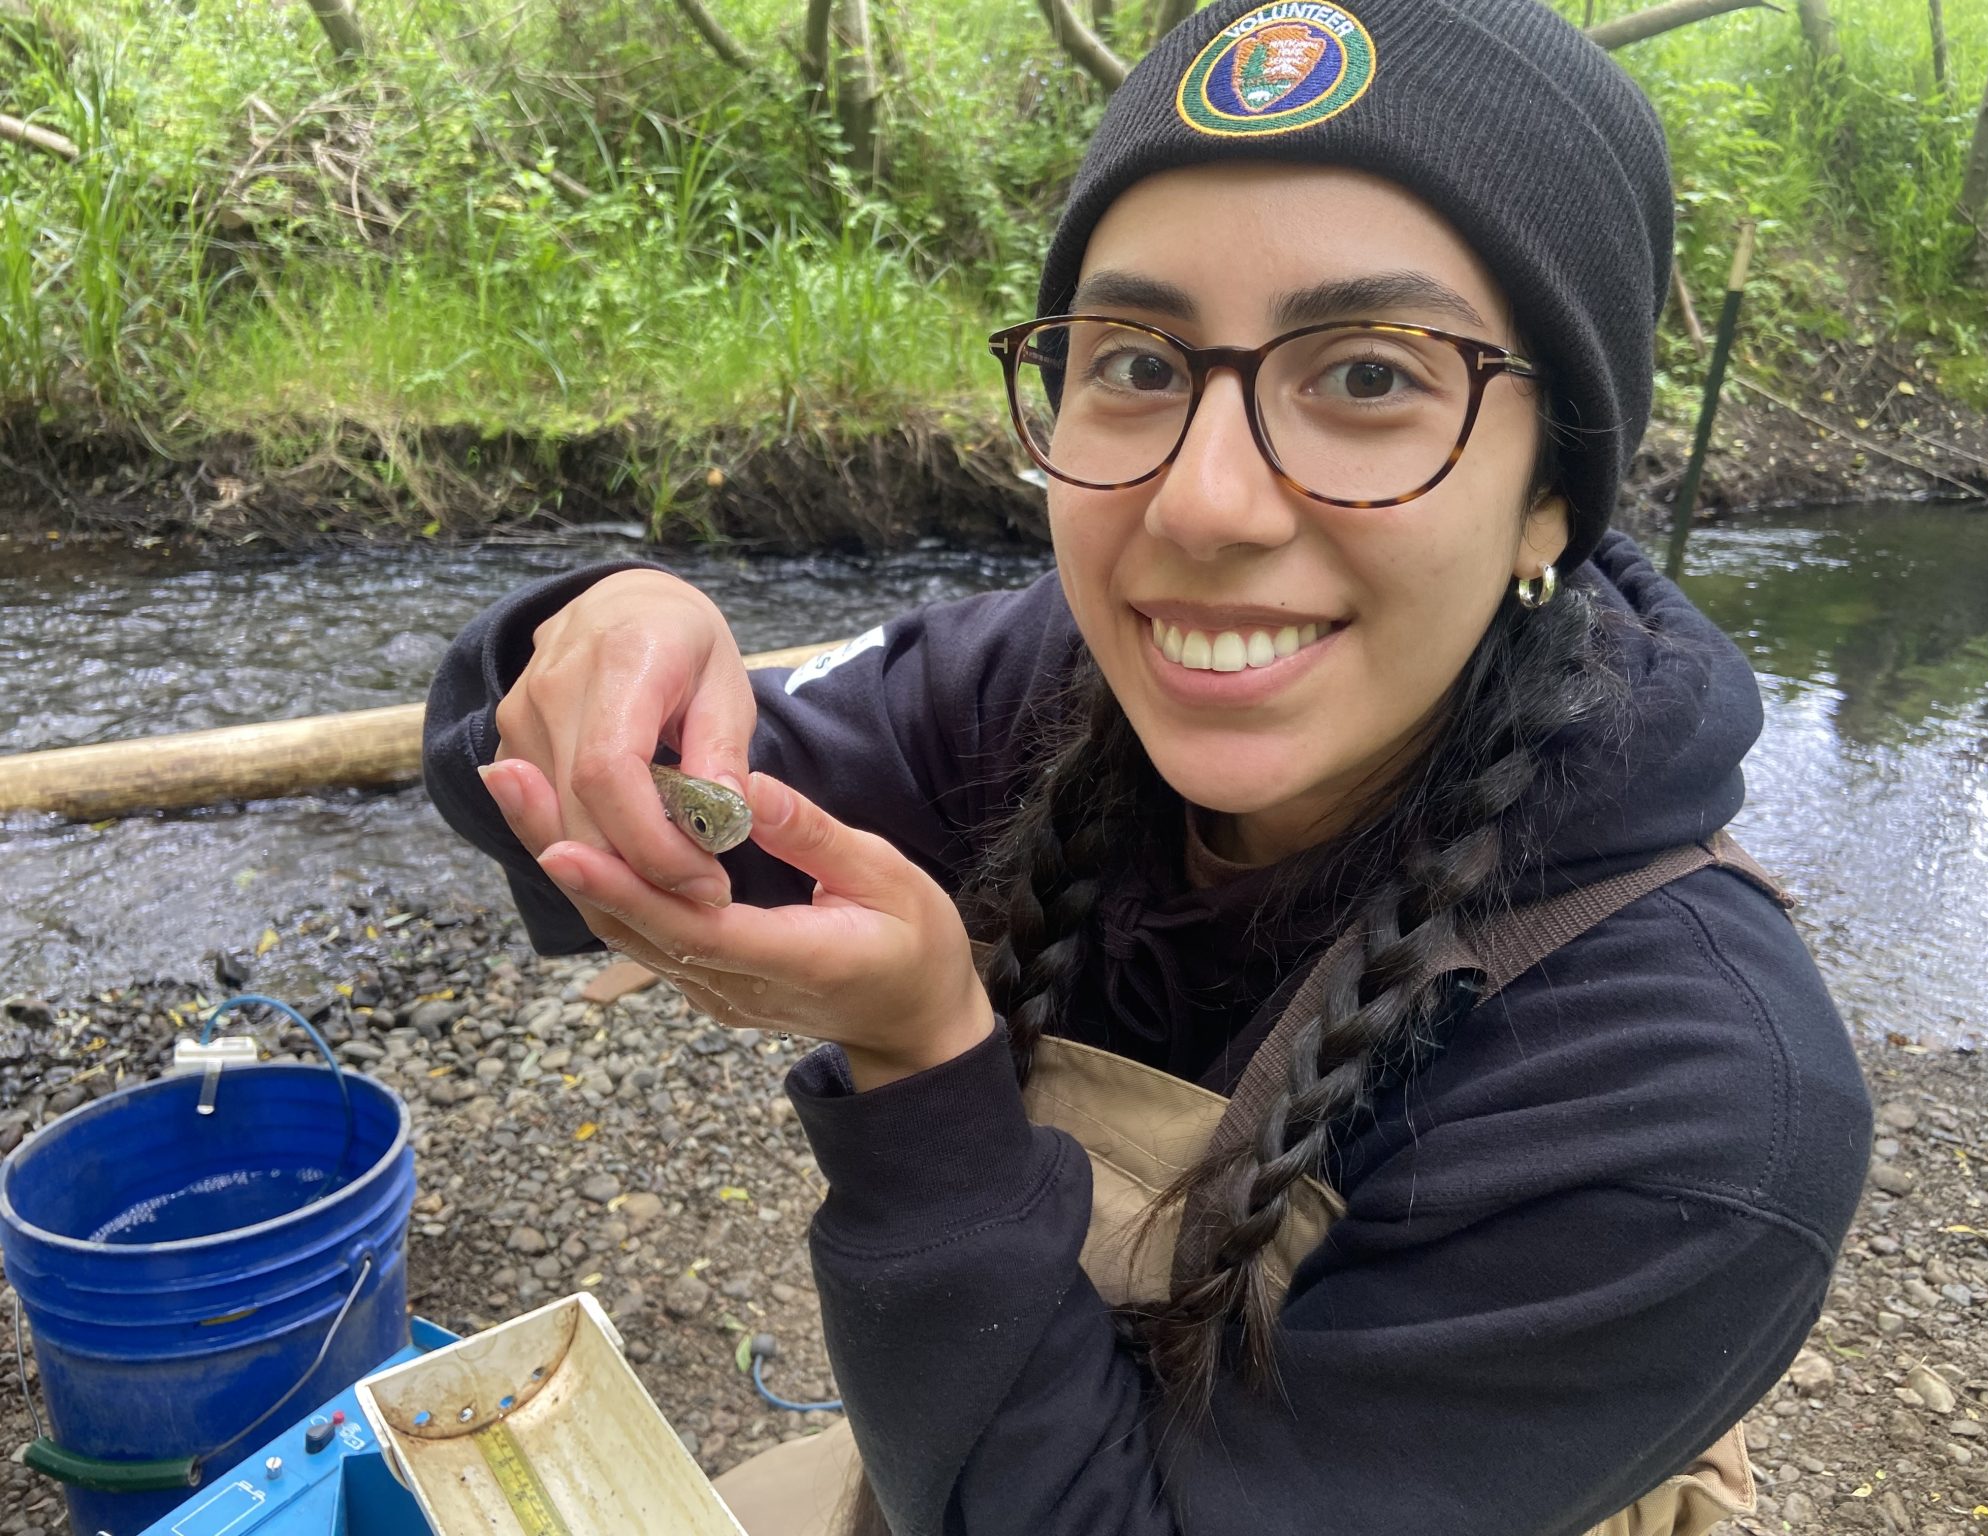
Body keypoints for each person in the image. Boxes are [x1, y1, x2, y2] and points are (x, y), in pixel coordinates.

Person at [422, 2, 1874, 1532]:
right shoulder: (1046, 682)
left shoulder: (1693, 1107)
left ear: (1550, 502)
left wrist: (926, 1074)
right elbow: (580, 813)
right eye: (1132, 361)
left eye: (1370, 375)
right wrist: (594, 648)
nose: (1204, 504)